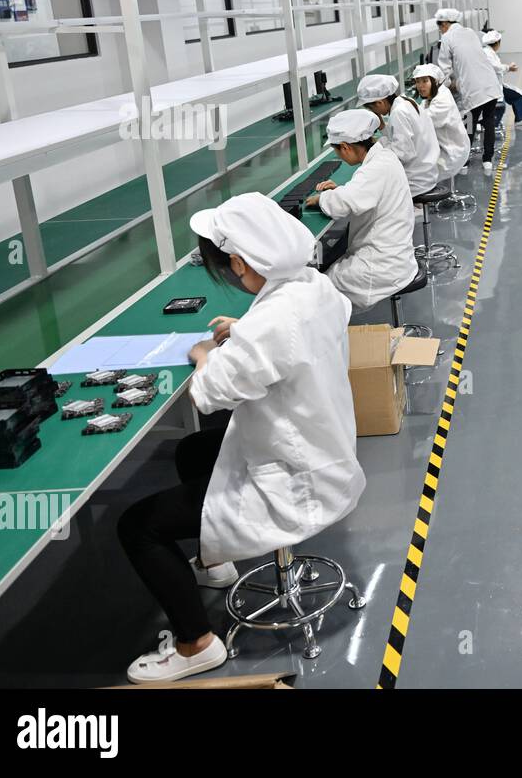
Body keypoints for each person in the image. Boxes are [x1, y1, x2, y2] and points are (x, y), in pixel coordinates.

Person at [117, 192, 363, 684]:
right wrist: (244, 330)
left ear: (238, 262)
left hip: (293, 479)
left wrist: (205, 352)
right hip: (325, 451)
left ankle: (195, 644)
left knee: (138, 526)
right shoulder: (314, 287)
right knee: (192, 450)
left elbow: (209, 394)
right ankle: (217, 562)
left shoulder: (272, 323)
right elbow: (284, 336)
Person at [304, 109, 417, 313]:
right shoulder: (383, 157)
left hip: (383, 266)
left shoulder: (376, 168)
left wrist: (323, 198)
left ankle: (329, 339)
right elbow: (361, 194)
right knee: (331, 269)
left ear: (345, 147)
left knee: (319, 289)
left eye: (336, 150)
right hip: (394, 254)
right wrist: (340, 190)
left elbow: (343, 204)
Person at [435, 7, 501, 173]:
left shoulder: (447, 38)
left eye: (440, 26)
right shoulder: (471, 32)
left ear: (444, 24)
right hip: (490, 83)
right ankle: (487, 160)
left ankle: (464, 162)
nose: (440, 29)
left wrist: (445, 85)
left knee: (468, 125)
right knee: (489, 122)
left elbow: (444, 69)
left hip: (472, 88)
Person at [357, 73, 438, 196]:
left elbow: (403, 154)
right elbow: (401, 138)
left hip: (416, 181)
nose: (373, 112)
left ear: (379, 103)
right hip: (427, 171)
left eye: (371, 108)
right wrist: (383, 127)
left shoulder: (398, 113)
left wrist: (375, 146)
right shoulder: (406, 101)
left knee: (373, 192)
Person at [414, 62, 471, 186]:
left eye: (425, 81)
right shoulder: (433, 96)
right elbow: (420, 112)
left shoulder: (442, 100)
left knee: (417, 178)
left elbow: (422, 121)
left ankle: (420, 204)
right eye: (417, 81)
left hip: (452, 152)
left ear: (434, 81)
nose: (420, 86)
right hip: (442, 147)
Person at [483, 29, 522, 126]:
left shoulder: (488, 52)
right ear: (497, 43)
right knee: (518, 95)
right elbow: (496, 68)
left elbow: (497, 69)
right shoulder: (488, 54)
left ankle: (519, 119)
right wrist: (509, 67)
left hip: (495, 84)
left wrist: (508, 68)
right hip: (493, 87)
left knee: (519, 94)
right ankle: (513, 121)